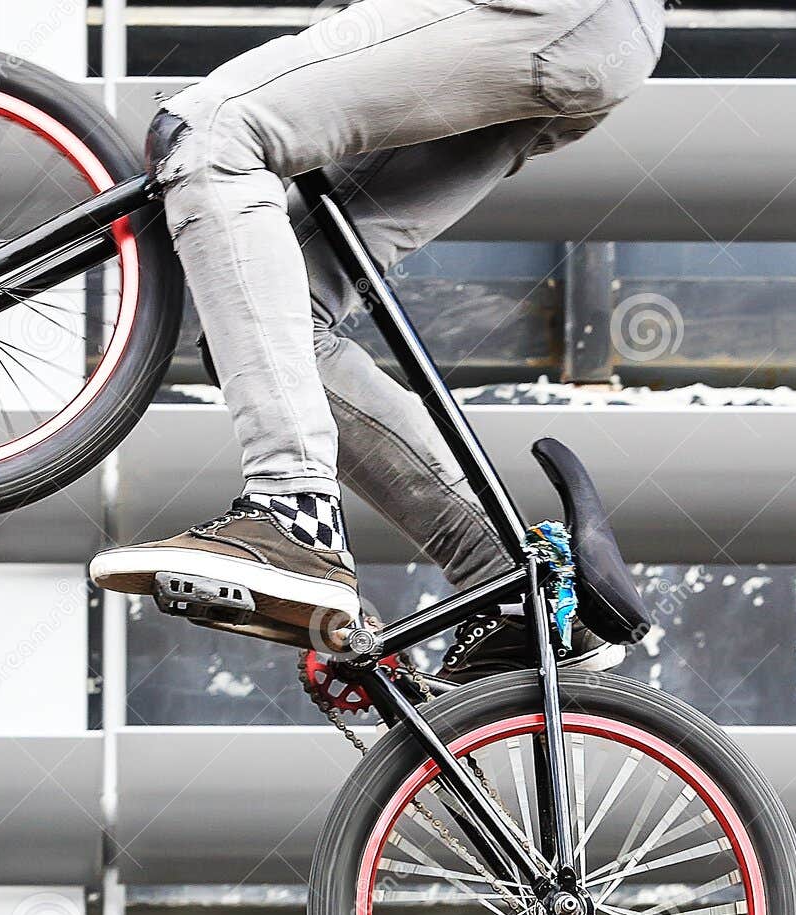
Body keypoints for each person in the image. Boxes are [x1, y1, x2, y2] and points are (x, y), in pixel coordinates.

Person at [89, 0, 665, 679]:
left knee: (213, 128)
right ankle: (514, 587)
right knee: (272, 321)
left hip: (546, 14)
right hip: (595, 33)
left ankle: (293, 507)